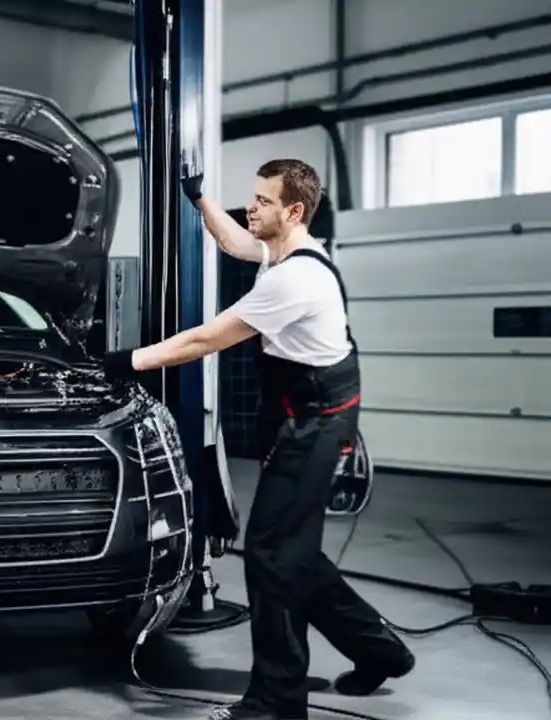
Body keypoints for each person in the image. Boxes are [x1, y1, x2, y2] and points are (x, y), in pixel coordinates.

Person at [106, 159, 415, 720]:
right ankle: (381, 650)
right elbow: (234, 243)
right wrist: (199, 200)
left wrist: (125, 362)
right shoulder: (284, 250)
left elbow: (205, 338)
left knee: (273, 556)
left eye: (263, 201)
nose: (252, 208)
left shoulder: (295, 278)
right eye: (252, 198)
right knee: (293, 551)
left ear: (293, 211)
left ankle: (276, 701)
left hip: (315, 423)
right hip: (305, 412)